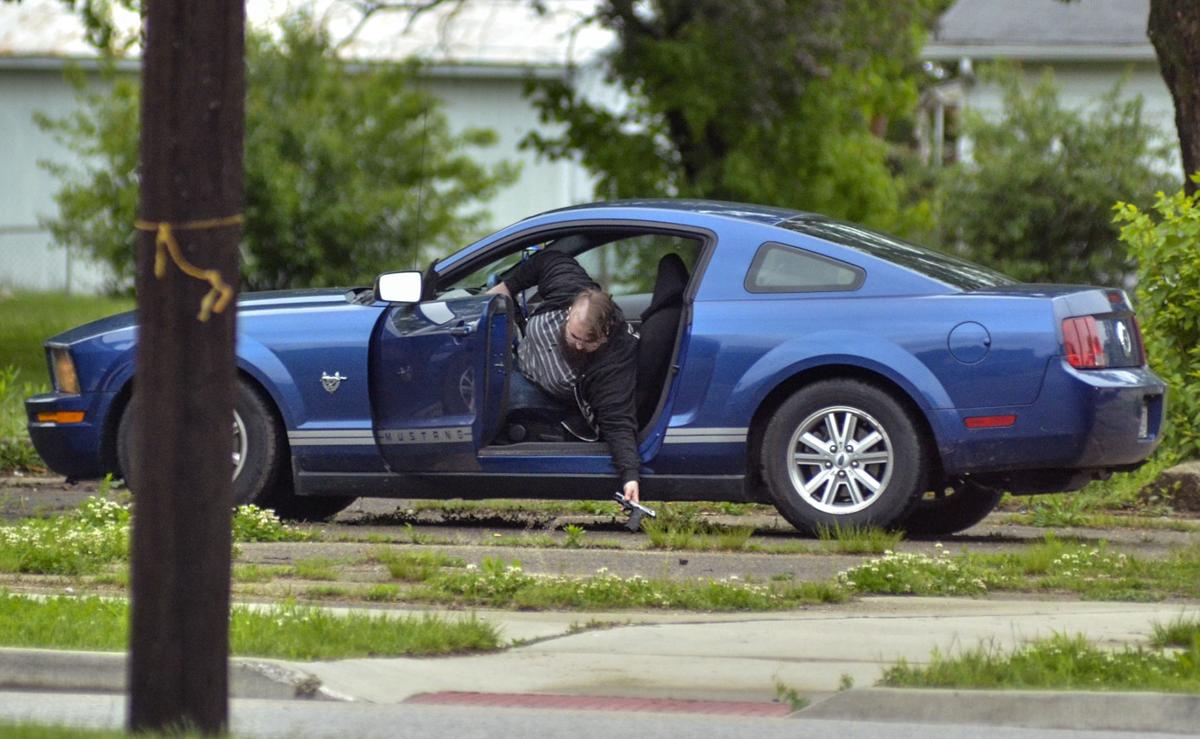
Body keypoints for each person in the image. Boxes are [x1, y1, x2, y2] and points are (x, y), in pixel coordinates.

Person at [486, 249, 641, 503]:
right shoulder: (568, 286)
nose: (578, 346)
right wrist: (506, 287)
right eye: (574, 336)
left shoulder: (613, 363)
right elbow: (547, 259)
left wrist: (630, 475)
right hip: (516, 355)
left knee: (496, 394)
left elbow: (619, 422)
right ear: (569, 312)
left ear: (605, 332)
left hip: (549, 398)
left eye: (588, 342)